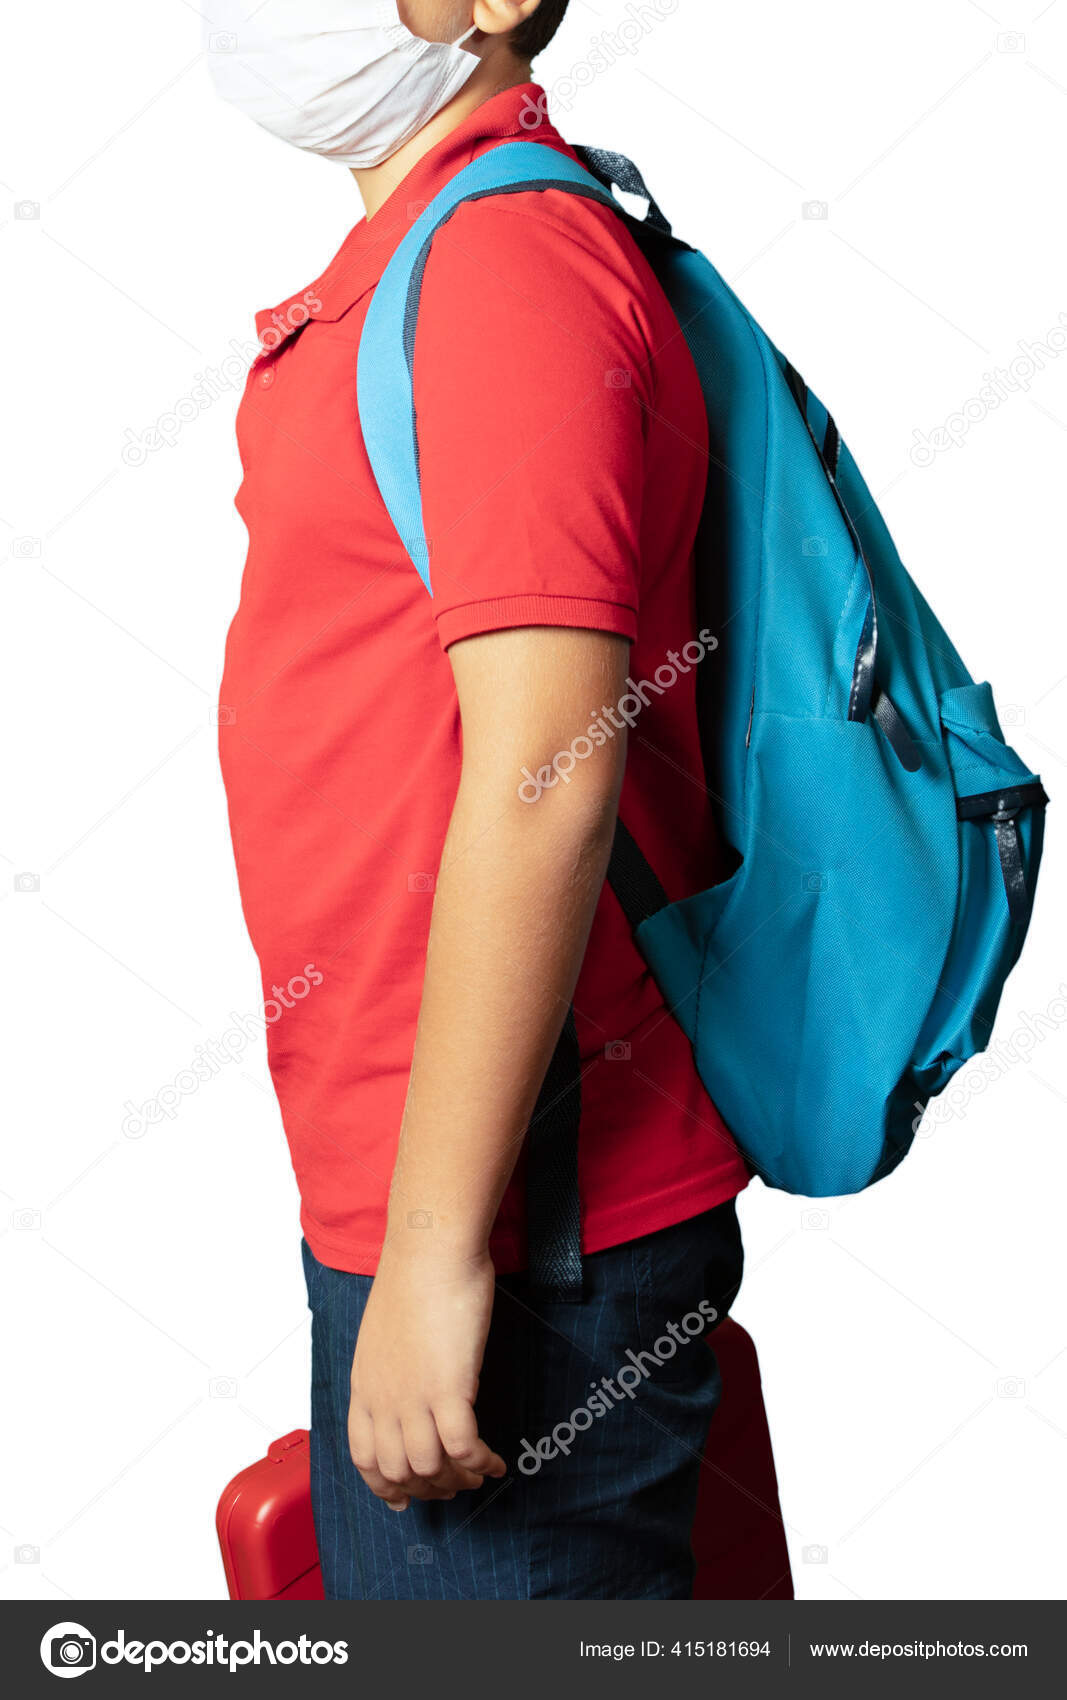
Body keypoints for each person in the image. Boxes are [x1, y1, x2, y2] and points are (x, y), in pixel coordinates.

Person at [211, 0, 750, 1600]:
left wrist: (442, 1256)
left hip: (523, 1231)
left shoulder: (502, 268)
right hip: (440, 1186)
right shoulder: (420, 269)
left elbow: (546, 776)